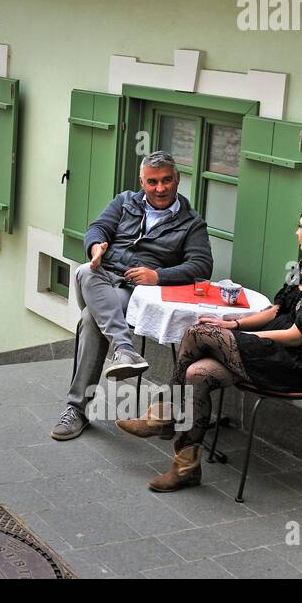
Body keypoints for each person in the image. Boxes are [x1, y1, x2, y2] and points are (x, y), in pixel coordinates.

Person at [116, 200, 302, 492]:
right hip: (272, 350)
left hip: (300, 365)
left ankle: (163, 414)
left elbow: (298, 335)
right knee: (197, 373)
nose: (296, 232)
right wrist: (234, 326)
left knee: (197, 333)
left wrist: (245, 340)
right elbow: (277, 309)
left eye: (301, 227)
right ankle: (186, 467)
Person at [50, 151, 213, 442]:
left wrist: (158, 275)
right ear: (142, 182)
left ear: (177, 179)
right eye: (152, 182)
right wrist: (96, 247)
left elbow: (201, 265)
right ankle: (125, 348)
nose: (160, 188)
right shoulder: (124, 201)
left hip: (133, 291)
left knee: (90, 318)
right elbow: (97, 228)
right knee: (86, 271)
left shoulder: (191, 223)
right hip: (102, 276)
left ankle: (76, 409)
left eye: (166, 180)